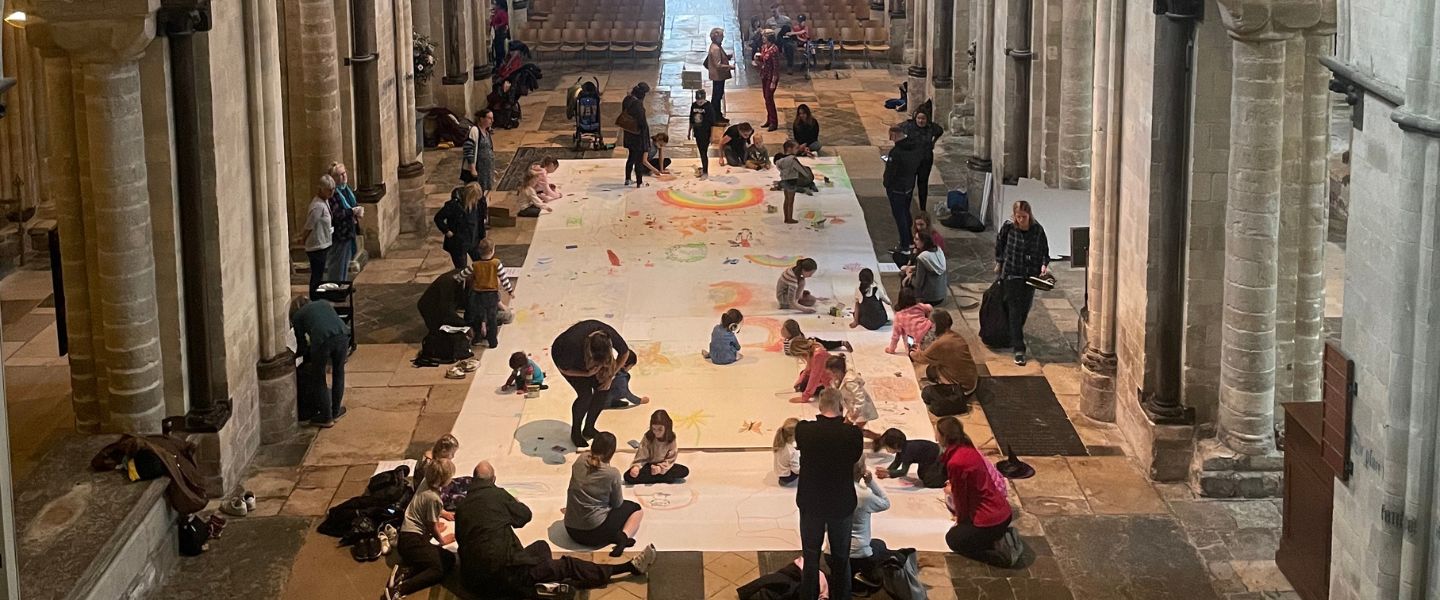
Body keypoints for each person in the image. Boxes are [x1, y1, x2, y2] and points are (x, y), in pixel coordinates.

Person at [455, 461, 657, 598]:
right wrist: (512, 503)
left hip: (472, 581)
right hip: (504, 574)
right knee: (566, 566)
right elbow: (525, 516)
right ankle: (627, 568)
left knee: (541, 547)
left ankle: (537, 587)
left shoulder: (462, 506)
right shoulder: (497, 495)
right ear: (493, 479)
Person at [795, 388, 864, 600]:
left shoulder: (804, 430)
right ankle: (842, 596)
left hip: (811, 500)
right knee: (841, 557)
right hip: (840, 502)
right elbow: (855, 459)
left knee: (811, 554)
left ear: (820, 406)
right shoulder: (852, 434)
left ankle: (809, 595)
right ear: (841, 406)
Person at [938, 417, 1023, 566]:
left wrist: (960, 520)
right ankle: (997, 538)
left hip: (991, 520)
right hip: (1004, 512)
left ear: (943, 436)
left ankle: (1000, 555)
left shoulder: (956, 461)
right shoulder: (968, 448)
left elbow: (960, 496)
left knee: (953, 539)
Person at [552, 320, 636, 447]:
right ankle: (575, 432)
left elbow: (625, 353)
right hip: (568, 362)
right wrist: (586, 374)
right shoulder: (570, 346)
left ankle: (589, 428)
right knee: (585, 395)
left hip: (590, 359)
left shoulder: (607, 333)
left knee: (603, 389)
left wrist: (610, 376)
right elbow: (564, 369)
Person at [566, 432, 646, 556]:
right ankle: (623, 537)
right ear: (611, 452)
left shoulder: (580, 459)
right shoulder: (611, 473)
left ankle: (615, 535)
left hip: (571, 530)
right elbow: (617, 503)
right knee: (636, 509)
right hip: (594, 533)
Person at [387, 458, 457, 599]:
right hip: (412, 541)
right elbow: (431, 525)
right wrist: (443, 540)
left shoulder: (426, 482)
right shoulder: (434, 498)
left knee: (448, 558)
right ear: (444, 480)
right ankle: (401, 588)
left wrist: (441, 513)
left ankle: (407, 569)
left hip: (407, 536)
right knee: (438, 569)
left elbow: (425, 508)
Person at [994, 200, 1050, 366]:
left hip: (1029, 275)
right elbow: (1000, 243)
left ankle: (1014, 333)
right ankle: (1019, 348)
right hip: (1012, 273)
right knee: (1014, 309)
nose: (1020, 220)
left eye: (1023, 217)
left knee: (1024, 308)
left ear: (1029, 215)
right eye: (1018, 217)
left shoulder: (1037, 230)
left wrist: (1043, 265)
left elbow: (1044, 251)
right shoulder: (1009, 227)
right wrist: (999, 262)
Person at [290, 296, 350, 427]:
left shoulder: (298, 316)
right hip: (343, 336)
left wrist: (295, 357)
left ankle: (326, 417)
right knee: (339, 373)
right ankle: (335, 411)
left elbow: (302, 345)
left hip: (322, 340)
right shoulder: (323, 303)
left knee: (319, 378)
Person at [910, 310, 980, 416]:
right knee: (931, 370)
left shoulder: (942, 343)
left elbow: (921, 358)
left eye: (931, 324)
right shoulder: (955, 336)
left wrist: (912, 352)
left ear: (937, 325)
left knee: (927, 393)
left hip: (962, 388)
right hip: (971, 378)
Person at [846, 459, 892, 584]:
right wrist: (871, 482)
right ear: (862, 470)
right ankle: (864, 575)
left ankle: (847, 576)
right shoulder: (863, 494)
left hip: (832, 554)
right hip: (858, 554)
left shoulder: (832, 490)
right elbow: (886, 503)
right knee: (880, 546)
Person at [882, 124, 925, 255]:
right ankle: (911, 240)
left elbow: (891, 171)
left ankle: (904, 245)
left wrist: (887, 183)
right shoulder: (915, 147)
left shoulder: (896, 152)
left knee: (899, 215)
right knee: (906, 212)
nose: (890, 139)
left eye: (891, 136)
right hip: (909, 185)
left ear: (894, 135)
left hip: (896, 187)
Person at [295, 175, 336, 299]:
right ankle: (315, 297)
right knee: (317, 274)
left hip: (323, 243)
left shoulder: (325, 201)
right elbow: (309, 225)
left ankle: (319, 296)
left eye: (333, 189)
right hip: (317, 246)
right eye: (329, 189)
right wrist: (302, 238)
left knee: (320, 273)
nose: (332, 192)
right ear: (321, 189)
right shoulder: (317, 205)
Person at [467, 239, 513, 348]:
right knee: (492, 319)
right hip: (491, 295)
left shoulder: (475, 265)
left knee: (479, 316)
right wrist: (510, 290)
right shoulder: (496, 263)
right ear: (492, 250)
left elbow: (464, 274)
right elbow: (504, 279)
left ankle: (477, 338)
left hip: (478, 295)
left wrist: (457, 277)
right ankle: (492, 341)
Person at [624, 410, 691, 485]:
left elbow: (671, 459)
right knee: (627, 476)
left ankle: (656, 477)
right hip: (649, 466)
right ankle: (663, 478)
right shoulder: (648, 436)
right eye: (654, 429)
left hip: (664, 467)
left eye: (660, 429)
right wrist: (636, 467)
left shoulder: (671, 438)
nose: (656, 432)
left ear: (666, 428)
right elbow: (641, 455)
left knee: (684, 471)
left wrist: (660, 468)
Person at [900, 103, 945, 213]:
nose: (921, 121)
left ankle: (923, 208)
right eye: (919, 118)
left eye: (923, 119)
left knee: (923, 184)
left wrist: (933, 142)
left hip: (925, 160)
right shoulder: (909, 126)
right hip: (912, 160)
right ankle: (906, 206)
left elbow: (940, 131)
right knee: (909, 183)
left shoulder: (931, 127)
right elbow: (897, 129)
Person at [434, 182, 487, 269]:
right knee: (461, 270)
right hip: (458, 242)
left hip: (474, 238)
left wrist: (483, 220)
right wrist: (447, 231)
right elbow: (438, 218)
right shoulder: (453, 205)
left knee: (482, 264)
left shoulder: (479, 201)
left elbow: (482, 213)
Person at [873, 428, 946, 488]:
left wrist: (888, 472)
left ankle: (947, 477)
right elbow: (896, 462)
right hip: (926, 457)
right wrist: (887, 472)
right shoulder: (902, 448)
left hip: (937, 456)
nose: (886, 450)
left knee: (928, 481)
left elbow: (903, 471)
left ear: (895, 446)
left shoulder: (907, 452)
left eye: (887, 447)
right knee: (922, 474)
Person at [326, 162, 361, 282]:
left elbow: (352, 204)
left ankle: (342, 285)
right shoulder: (333, 193)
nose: (343, 176)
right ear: (333, 178)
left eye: (344, 173)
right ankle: (337, 288)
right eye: (340, 175)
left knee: (345, 262)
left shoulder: (346, 189)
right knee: (337, 264)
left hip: (348, 231)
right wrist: (352, 212)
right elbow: (337, 214)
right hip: (339, 234)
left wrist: (356, 211)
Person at [825, 354, 877, 432]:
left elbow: (860, 398)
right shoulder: (839, 380)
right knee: (846, 427)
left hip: (862, 410)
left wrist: (855, 412)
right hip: (852, 408)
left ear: (836, 371)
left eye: (830, 373)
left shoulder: (850, 382)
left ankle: (877, 437)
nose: (829, 376)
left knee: (856, 431)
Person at [417, 267, 472, 334]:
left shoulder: (463, 276)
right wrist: (465, 326)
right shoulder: (448, 284)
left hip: (444, 303)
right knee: (442, 333)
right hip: (431, 308)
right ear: (470, 277)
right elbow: (447, 311)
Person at [621, 83, 652, 187]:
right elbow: (642, 122)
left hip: (628, 133)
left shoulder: (627, 99)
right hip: (638, 136)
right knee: (638, 159)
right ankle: (639, 182)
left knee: (631, 157)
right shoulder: (638, 104)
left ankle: (628, 179)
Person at [903, 234, 948, 305]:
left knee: (904, 278)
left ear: (923, 242)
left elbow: (918, 283)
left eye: (917, 239)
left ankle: (905, 305)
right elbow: (932, 266)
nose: (914, 241)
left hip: (928, 298)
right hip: (941, 294)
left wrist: (909, 276)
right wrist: (913, 268)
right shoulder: (939, 250)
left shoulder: (923, 257)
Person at [888, 287, 935, 354]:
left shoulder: (898, 316)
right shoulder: (919, 306)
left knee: (912, 349)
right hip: (929, 331)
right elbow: (930, 307)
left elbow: (895, 336)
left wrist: (891, 349)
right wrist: (927, 315)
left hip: (915, 340)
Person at [789, 338, 833, 404]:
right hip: (823, 377)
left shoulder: (818, 355)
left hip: (830, 382)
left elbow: (815, 376)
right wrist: (799, 381)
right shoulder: (812, 351)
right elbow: (808, 369)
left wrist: (805, 397)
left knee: (804, 386)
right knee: (803, 379)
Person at [755, 31, 782, 131]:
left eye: (764, 36)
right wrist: (758, 59)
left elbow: (776, 67)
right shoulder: (764, 47)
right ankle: (769, 119)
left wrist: (773, 82)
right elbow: (763, 59)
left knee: (769, 98)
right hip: (764, 75)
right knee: (766, 99)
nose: (762, 38)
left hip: (771, 77)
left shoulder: (774, 50)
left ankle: (774, 122)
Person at [461, 111, 495, 189]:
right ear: (482, 119)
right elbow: (468, 149)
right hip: (477, 169)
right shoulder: (474, 131)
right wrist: (472, 168)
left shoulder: (487, 132)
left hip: (485, 170)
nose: (492, 120)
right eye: (489, 118)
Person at [706, 28, 734, 122]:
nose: (723, 37)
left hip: (719, 76)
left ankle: (717, 115)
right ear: (716, 37)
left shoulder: (716, 46)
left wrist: (727, 57)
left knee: (718, 95)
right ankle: (716, 116)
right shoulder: (715, 48)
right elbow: (718, 65)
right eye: (721, 36)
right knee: (717, 97)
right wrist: (729, 67)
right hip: (718, 76)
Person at [781, 319, 852, 355]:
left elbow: (789, 351)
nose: (781, 330)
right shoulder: (792, 339)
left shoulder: (793, 343)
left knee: (828, 345)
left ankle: (843, 343)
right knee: (827, 343)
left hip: (814, 343)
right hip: (811, 341)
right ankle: (841, 343)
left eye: (784, 329)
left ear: (790, 333)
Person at [690, 90, 716, 177]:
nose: (699, 103)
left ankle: (705, 170)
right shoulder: (694, 105)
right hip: (697, 132)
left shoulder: (708, 107)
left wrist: (712, 135)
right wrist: (689, 130)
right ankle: (704, 168)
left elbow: (712, 123)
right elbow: (691, 119)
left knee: (703, 151)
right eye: (698, 100)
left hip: (706, 132)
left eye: (701, 101)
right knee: (701, 151)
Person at [773, 417, 801, 485]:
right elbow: (796, 470)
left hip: (781, 474)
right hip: (788, 477)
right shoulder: (792, 451)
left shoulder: (779, 444)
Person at [489, 0, 510, 67]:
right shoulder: (497, 12)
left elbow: (505, 22)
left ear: (499, 5)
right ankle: (498, 64)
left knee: (500, 49)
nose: (495, 6)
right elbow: (493, 21)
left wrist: (498, 26)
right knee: (497, 49)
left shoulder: (502, 12)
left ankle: (500, 64)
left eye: (496, 4)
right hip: (496, 33)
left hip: (500, 33)